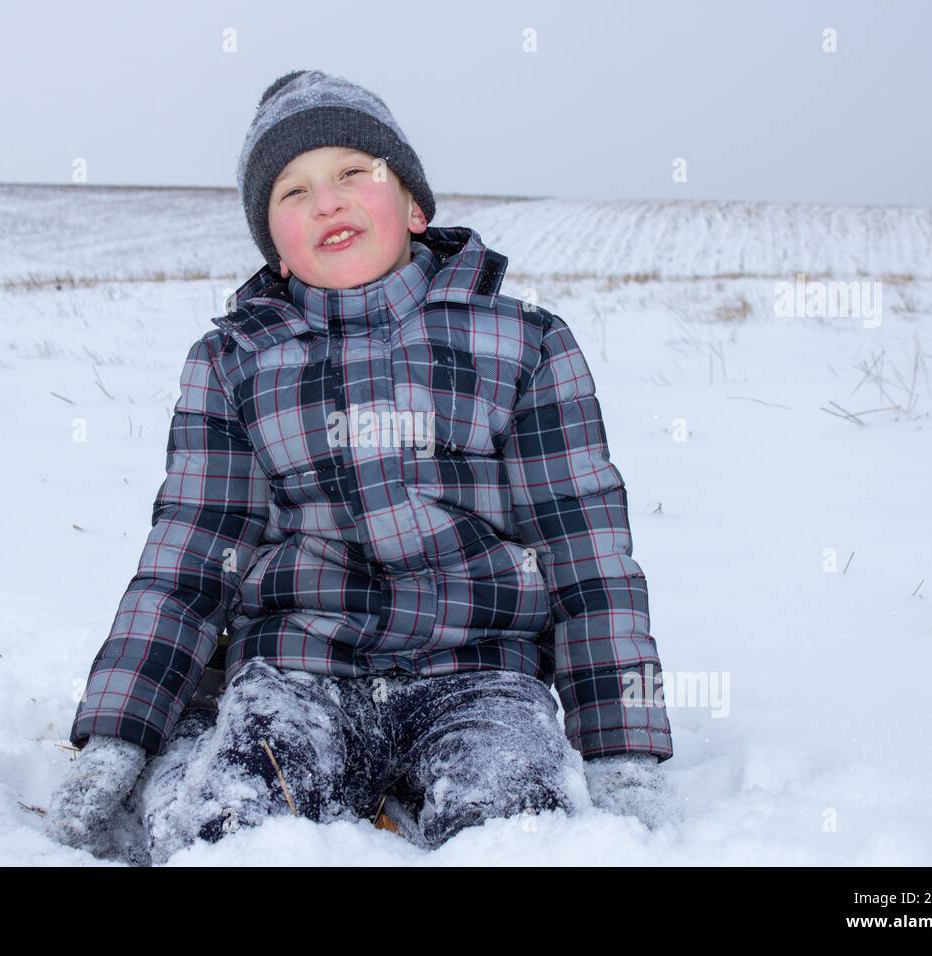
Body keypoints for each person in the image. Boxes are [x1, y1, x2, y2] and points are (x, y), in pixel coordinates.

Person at [45, 69, 677, 865]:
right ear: (274, 247)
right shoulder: (235, 362)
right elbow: (193, 555)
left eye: (354, 172)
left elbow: (588, 555)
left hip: (480, 675)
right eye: (292, 191)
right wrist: (117, 736)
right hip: (296, 672)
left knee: (519, 827)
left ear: (414, 205)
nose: (326, 200)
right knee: (231, 823)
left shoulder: (525, 344)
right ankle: (188, 771)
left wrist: (624, 750)